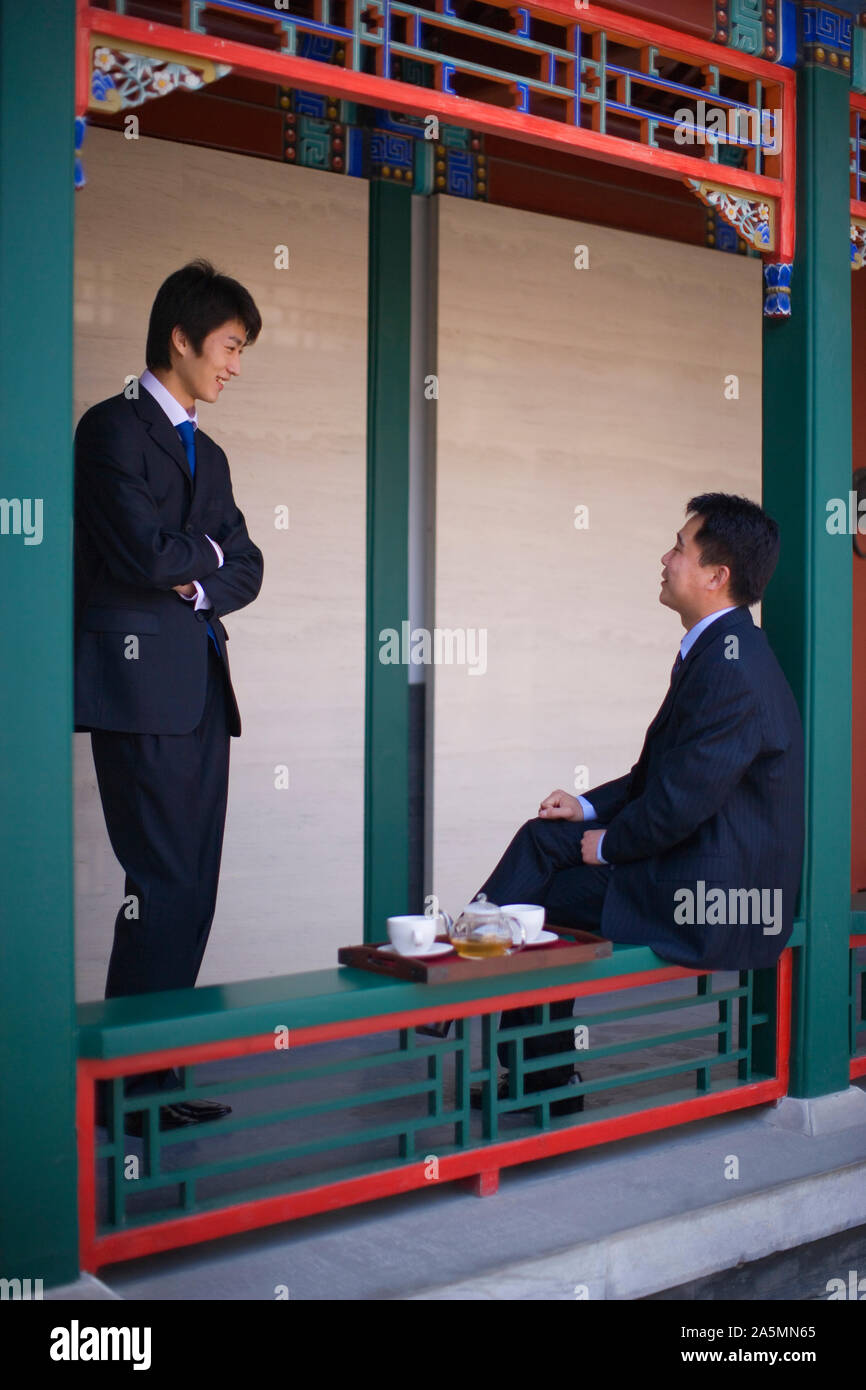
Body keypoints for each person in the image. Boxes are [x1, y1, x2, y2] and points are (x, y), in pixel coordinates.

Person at [473, 493, 805, 1116]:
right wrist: (585, 807)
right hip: (690, 864)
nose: (665, 557)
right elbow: (656, 776)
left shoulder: (733, 669)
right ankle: (477, 944)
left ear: (716, 575)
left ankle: (524, 1057)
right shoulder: (719, 650)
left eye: (680, 547)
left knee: (540, 904)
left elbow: (683, 800)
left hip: (713, 896)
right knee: (541, 837)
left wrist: (611, 845)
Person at [74, 259, 264, 1131]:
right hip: (138, 688)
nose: (234, 365)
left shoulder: (210, 452)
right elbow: (146, 556)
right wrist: (205, 561)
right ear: (181, 340)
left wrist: (200, 568)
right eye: (229, 346)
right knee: (158, 882)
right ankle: (122, 1085)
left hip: (200, 694)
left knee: (192, 887)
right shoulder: (109, 430)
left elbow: (249, 565)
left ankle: (152, 1076)